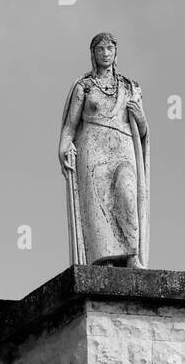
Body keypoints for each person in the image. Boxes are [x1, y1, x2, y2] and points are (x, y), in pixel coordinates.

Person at [58, 32, 149, 267]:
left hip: (122, 146)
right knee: (98, 203)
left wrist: (141, 119)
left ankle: (132, 255)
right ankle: (104, 258)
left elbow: (143, 131)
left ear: (116, 52)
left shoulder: (130, 87)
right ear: (93, 54)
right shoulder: (84, 86)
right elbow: (70, 125)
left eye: (109, 49)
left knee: (127, 192)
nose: (105, 53)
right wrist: (63, 146)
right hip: (92, 149)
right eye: (100, 49)